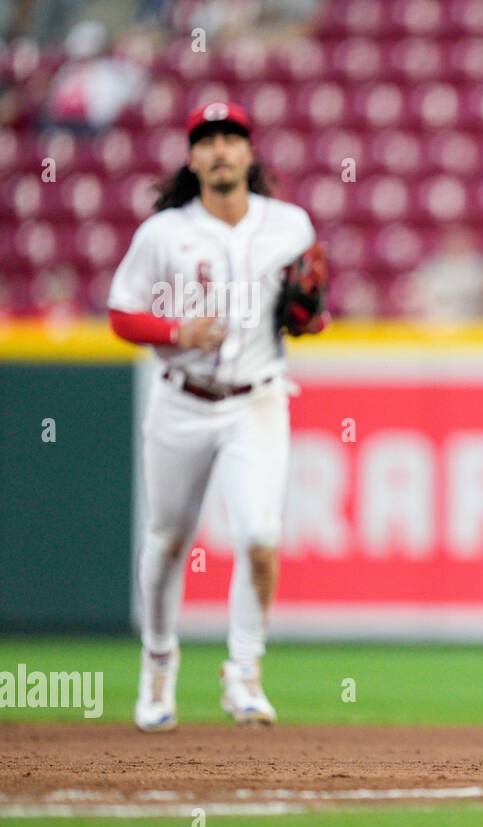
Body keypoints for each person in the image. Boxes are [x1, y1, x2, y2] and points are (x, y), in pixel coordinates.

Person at [107, 101, 327, 731]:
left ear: (249, 154)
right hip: (181, 398)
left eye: (231, 137)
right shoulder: (164, 232)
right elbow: (121, 313)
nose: (221, 149)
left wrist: (312, 316)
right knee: (167, 542)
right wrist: (177, 328)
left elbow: (309, 308)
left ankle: (244, 673)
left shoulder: (290, 225)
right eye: (208, 140)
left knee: (259, 535)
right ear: (193, 157)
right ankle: (157, 665)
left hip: (256, 400)